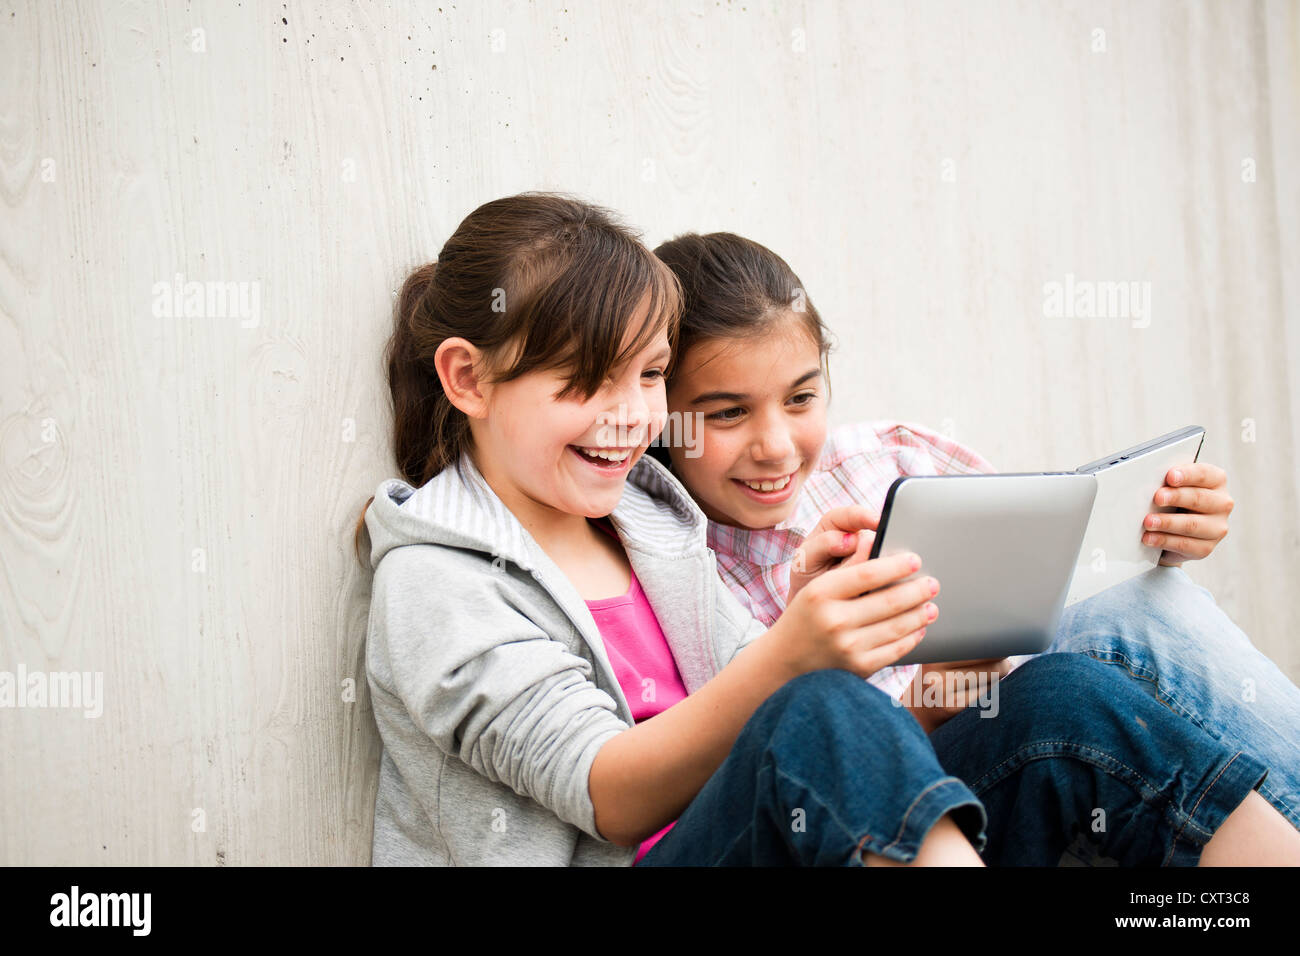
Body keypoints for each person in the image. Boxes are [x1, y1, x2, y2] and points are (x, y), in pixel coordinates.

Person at [355, 193, 1299, 866]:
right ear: (469, 380)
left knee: (1065, 702)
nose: (627, 417)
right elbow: (608, 793)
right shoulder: (441, 579)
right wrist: (794, 661)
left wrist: (821, 634)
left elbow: (773, 722)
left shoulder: (646, 519)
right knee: (820, 716)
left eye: (645, 378)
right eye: (581, 385)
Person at [647, 230, 1300, 854]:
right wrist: (928, 709)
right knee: (1075, 679)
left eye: (801, 397)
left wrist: (1153, 537)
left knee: (1131, 600)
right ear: (660, 414)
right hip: (907, 798)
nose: (777, 447)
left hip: (1045, 718)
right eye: (727, 413)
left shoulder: (887, 457)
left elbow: (1049, 572)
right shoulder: (674, 573)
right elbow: (770, 794)